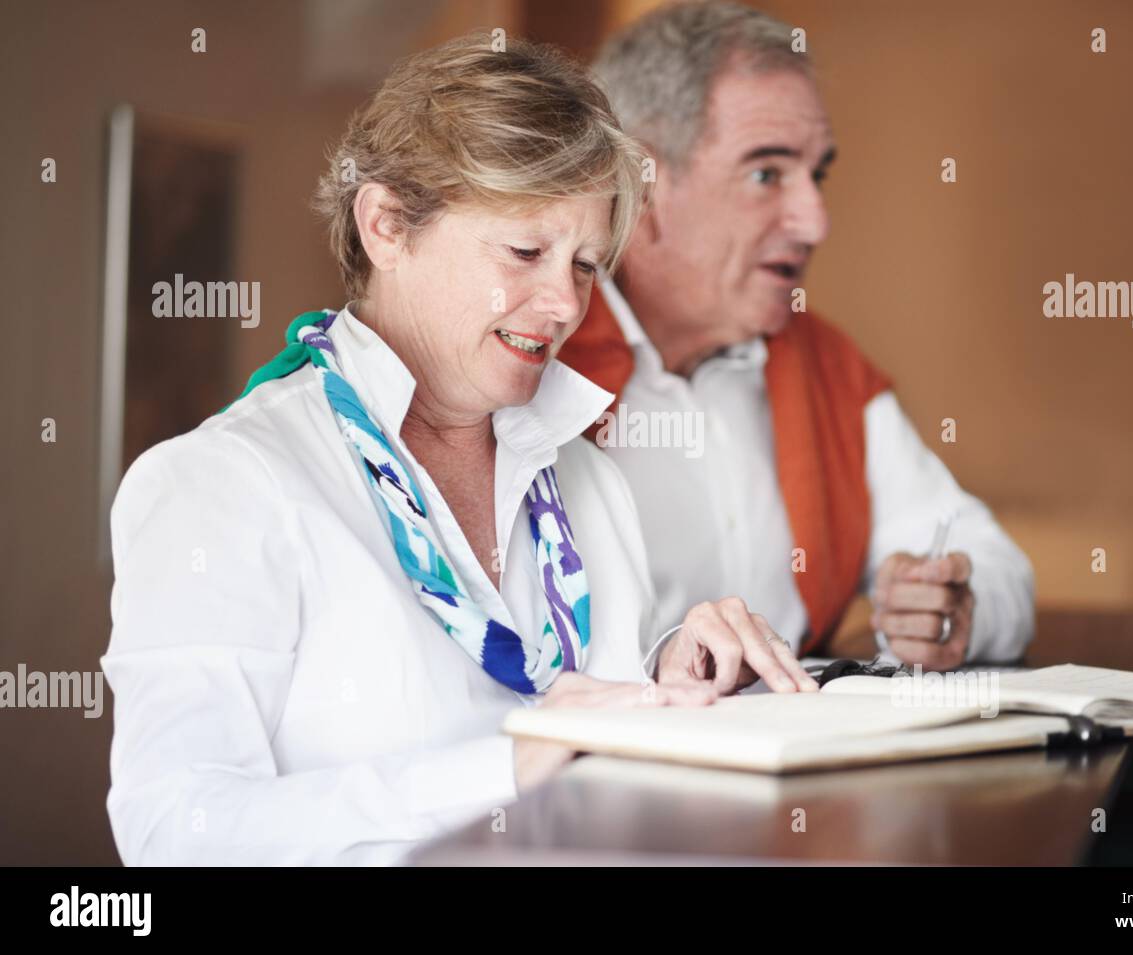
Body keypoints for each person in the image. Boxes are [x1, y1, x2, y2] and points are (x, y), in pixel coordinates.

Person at [101, 34, 817, 867]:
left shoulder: (586, 475)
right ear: (386, 225)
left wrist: (674, 668)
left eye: (586, 266)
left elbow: (593, 698)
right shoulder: (220, 484)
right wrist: (510, 766)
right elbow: (172, 829)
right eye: (524, 253)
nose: (562, 304)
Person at [562, 2, 1036, 676]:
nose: (815, 221)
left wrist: (954, 608)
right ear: (640, 186)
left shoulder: (823, 366)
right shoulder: (535, 360)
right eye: (767, 173)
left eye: (817, 175)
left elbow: (992, 563)